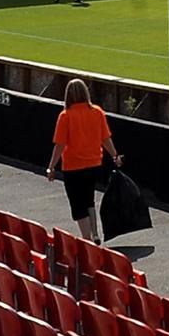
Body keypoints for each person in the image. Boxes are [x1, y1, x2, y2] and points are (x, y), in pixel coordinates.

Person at [45, 79, 123, 243]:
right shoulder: (97, 112)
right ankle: (95, 232)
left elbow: (59, 145)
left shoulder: (65, 116)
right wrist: (115, 156)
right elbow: (106, 138)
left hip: (73, 166)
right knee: (89, 198)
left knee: (77, 203)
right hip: (93, 163)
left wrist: (51, 167)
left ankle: (86, 238)